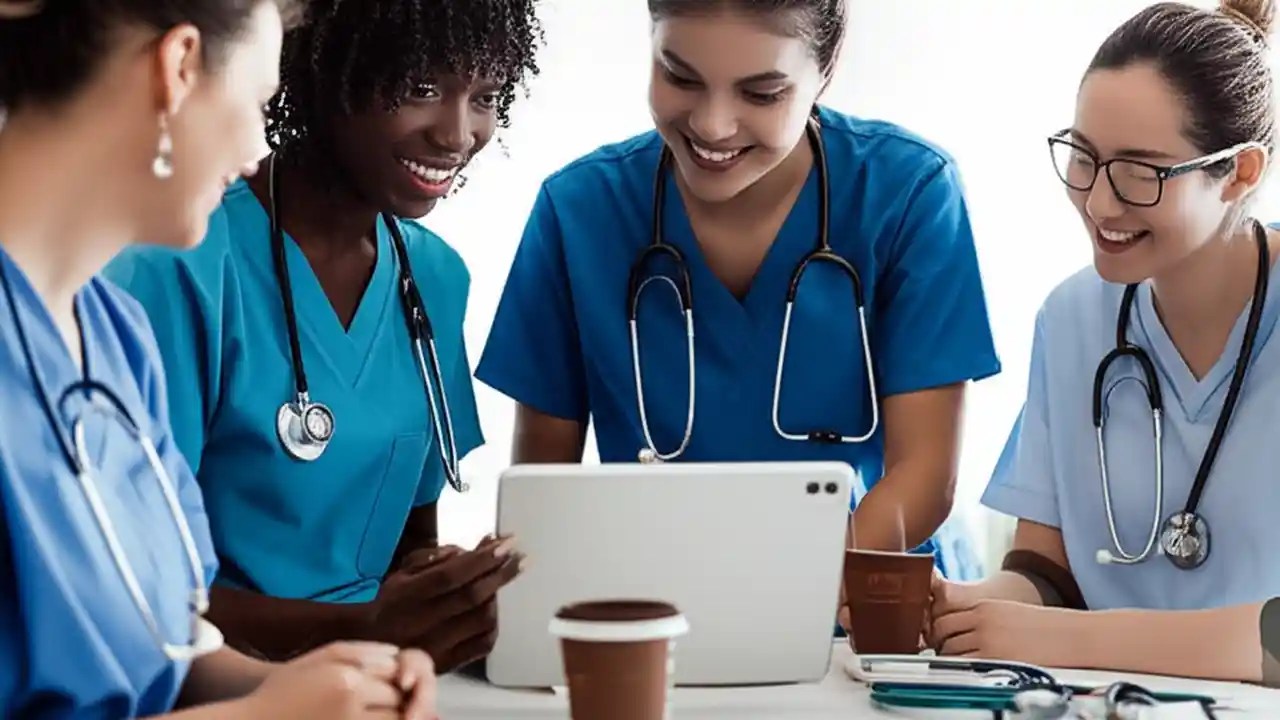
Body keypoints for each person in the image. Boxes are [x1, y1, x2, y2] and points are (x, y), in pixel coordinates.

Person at [0, 0, 437, 717]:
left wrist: (346, 684)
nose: (259, 153)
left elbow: (169, 651)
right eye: (259, 102)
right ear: (176, 69)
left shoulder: (116, 339)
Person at [476, 0, 1001, 583]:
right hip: (656, 604)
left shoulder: (908, 193)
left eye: (762, 93)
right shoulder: (579, 211)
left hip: (865, 597)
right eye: (680, 78)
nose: (712, 125)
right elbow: (544, 500)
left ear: (826, 69)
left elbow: (923, 478)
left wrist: (776, 597)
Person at [101, 0, 541, 670]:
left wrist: (446, 597)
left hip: (374, 679)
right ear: (326, 69)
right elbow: (126, 585)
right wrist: (362, 628)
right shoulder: (179, 261)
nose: (457, 134)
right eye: (421, 88)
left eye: (484, 97)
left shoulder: (434, 278)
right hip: (206, 683)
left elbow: (406, 552)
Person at [929, 0, 1280, 687]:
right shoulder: (1072, 320)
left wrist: (1076, 638)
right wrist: (962, 608)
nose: (1098, 202)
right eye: (1084, 157)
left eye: (1139, 172)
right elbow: (1047, 576)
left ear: (1240, 172)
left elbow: (1062, 627)